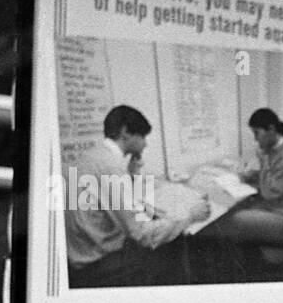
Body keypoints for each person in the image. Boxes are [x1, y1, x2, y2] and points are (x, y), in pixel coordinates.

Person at [65, 105, 207, 288]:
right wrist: (190, 216)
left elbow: (105, 199)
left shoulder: (93, 156)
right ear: (125, 133)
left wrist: (132, 174)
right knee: (172, 248)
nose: (145, 144)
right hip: (97, 263)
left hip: (80, 251)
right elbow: (142, 234)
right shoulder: (110, 167)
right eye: (142, 136)